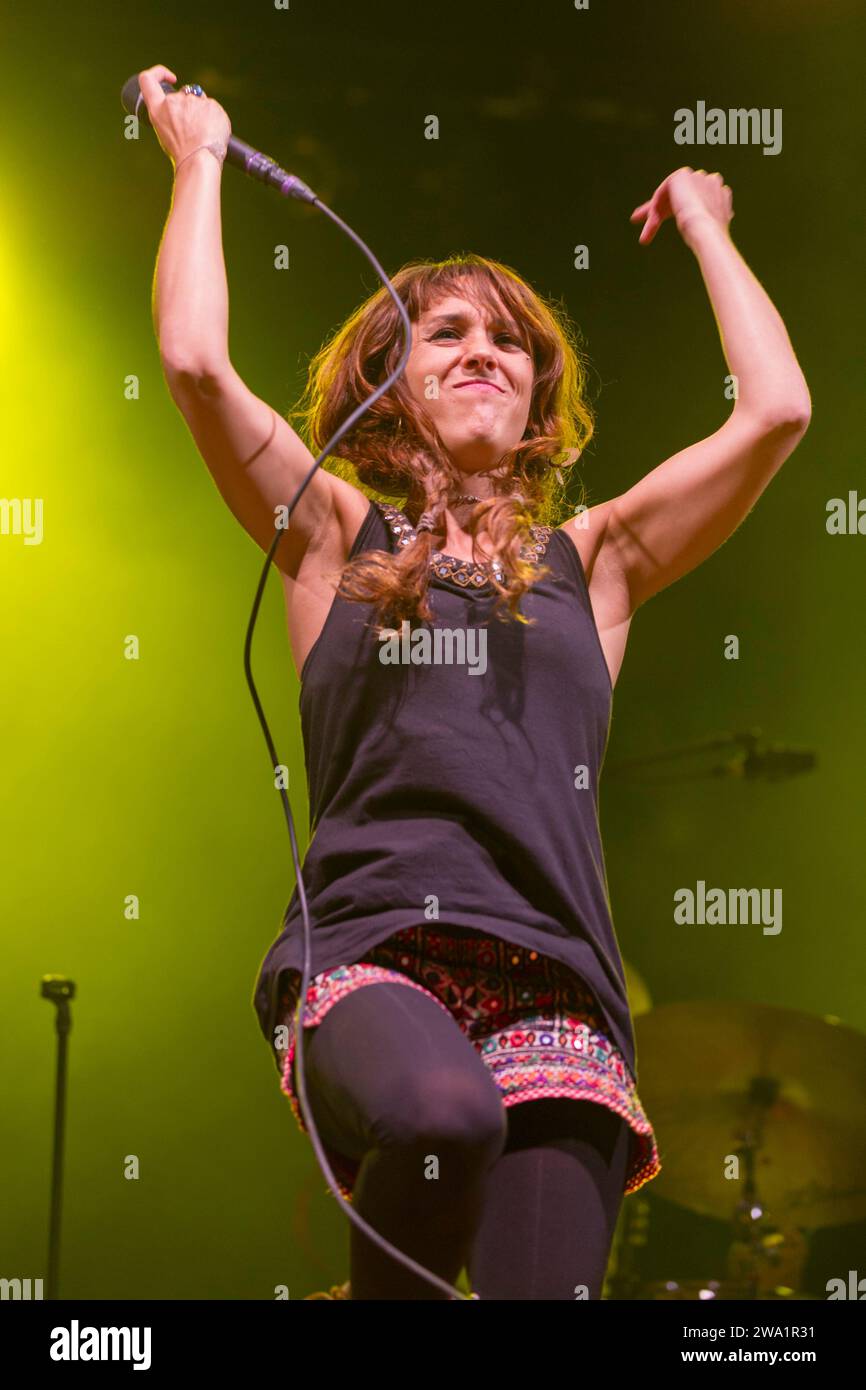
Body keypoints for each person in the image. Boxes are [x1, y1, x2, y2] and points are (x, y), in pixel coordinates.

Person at [141, 63, 811, 1300]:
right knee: (444, 1119)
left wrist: (707, 223)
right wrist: (198, 160)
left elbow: (772, 412)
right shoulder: (338, 537)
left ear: (538, 396)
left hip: (557, 987)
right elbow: (192, 361)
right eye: (446, 332)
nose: (483, 353)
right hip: (373, 956)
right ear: (387, 385)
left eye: (509, 339)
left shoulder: (592, 560)